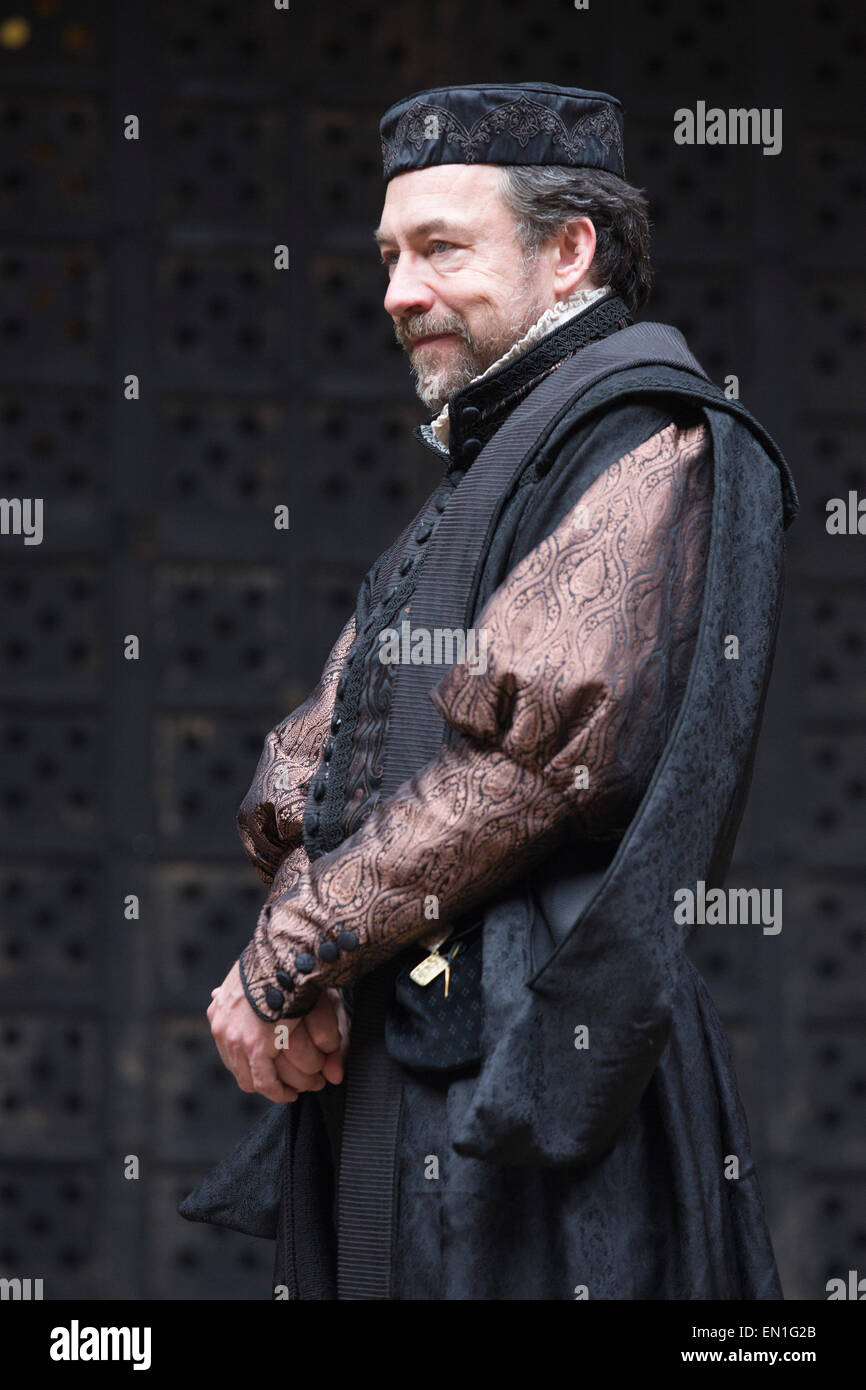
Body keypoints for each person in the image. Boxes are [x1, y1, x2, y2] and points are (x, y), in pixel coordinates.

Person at [193, 82, 797, 1300]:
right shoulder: (480, 472)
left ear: (569, 251)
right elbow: (322, 759)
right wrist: (300, 963)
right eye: (387, 256)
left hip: (537, 1066)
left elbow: (523, 764)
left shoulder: (650, 439)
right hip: (400, 1057)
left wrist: (284, 965)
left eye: (439, 249)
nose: (397, 292)